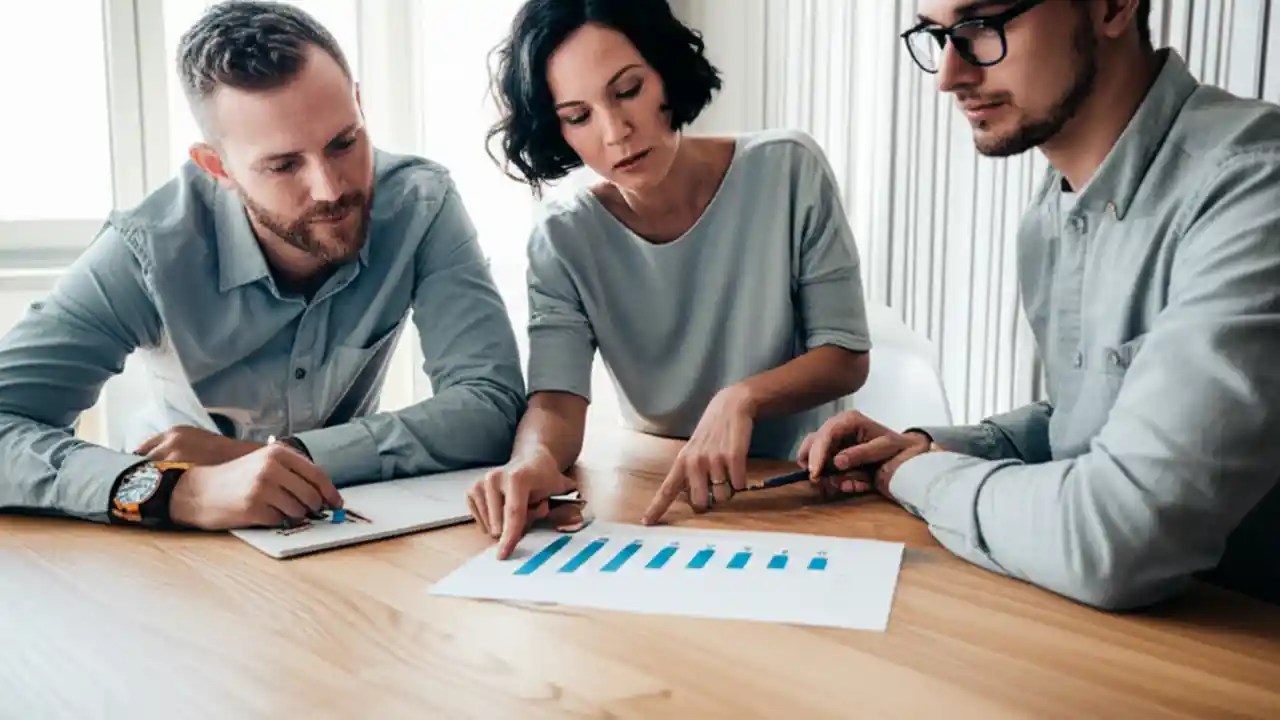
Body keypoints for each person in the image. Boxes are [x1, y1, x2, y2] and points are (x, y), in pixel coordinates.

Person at [799, 0, 1280, 609]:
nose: (949, 76)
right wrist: (929, 445)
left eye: (981, 24)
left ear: (1112, 8)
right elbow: (1088, 417)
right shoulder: (1050, 214)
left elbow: (1117, 537)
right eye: (936, 35)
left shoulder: (1253, 186)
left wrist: (916, 476)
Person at [0, 1, 525, 530]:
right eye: (283, 165)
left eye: (344, 142)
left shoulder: (420, 205)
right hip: (171, 539)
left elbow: (490, 404)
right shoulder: (148, 249)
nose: (330, 188)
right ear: (217, 167)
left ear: (359, 106)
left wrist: (278, 457)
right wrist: (184, 492)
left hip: (337, 526)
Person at [468, 0, 873, 558]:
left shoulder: (788, 168)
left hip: (796, 489)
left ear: (665, 71)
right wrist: (533, 459)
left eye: (628, 90)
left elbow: (845, 354)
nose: (616, 132)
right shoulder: (562, 237)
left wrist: (742, 398)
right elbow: (557, 399)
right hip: (660, 492)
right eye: (578, 116)